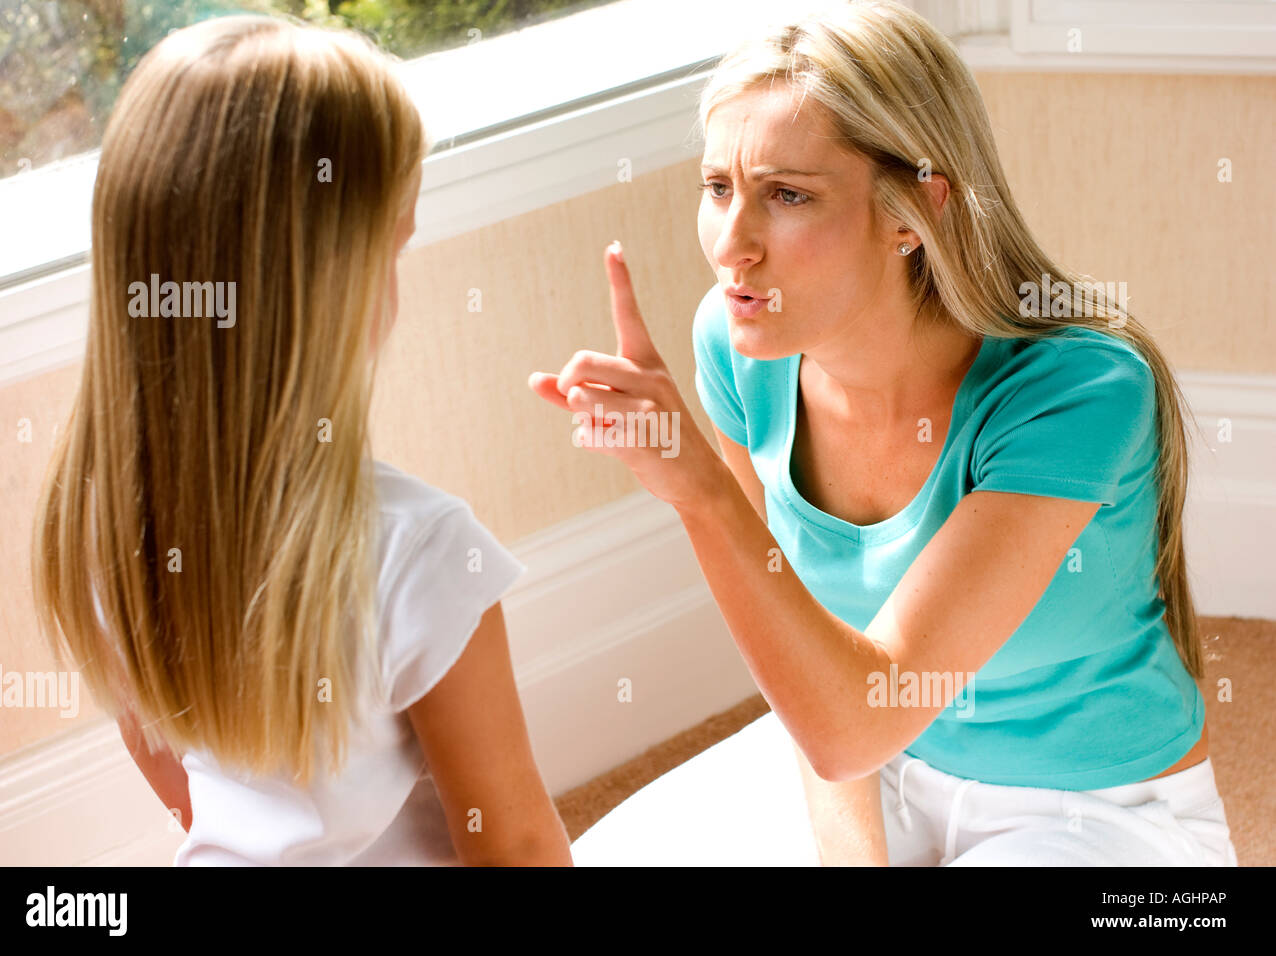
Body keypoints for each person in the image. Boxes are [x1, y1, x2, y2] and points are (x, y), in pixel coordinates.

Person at [530, 0, 1238, 866]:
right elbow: (818, 697)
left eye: (787, 194)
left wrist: (701, 495)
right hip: (880, 763)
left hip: (1104, 810)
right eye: (719, 188)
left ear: (915, 212)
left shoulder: (1080, 389)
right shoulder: (738, 343)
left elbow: (857, 715)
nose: (732, 246)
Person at [31, 14, 571, 866]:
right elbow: (517, 842)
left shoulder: (95, 518)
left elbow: (172, 777)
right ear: (324, 293)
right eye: (391, 250)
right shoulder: (420, 554)